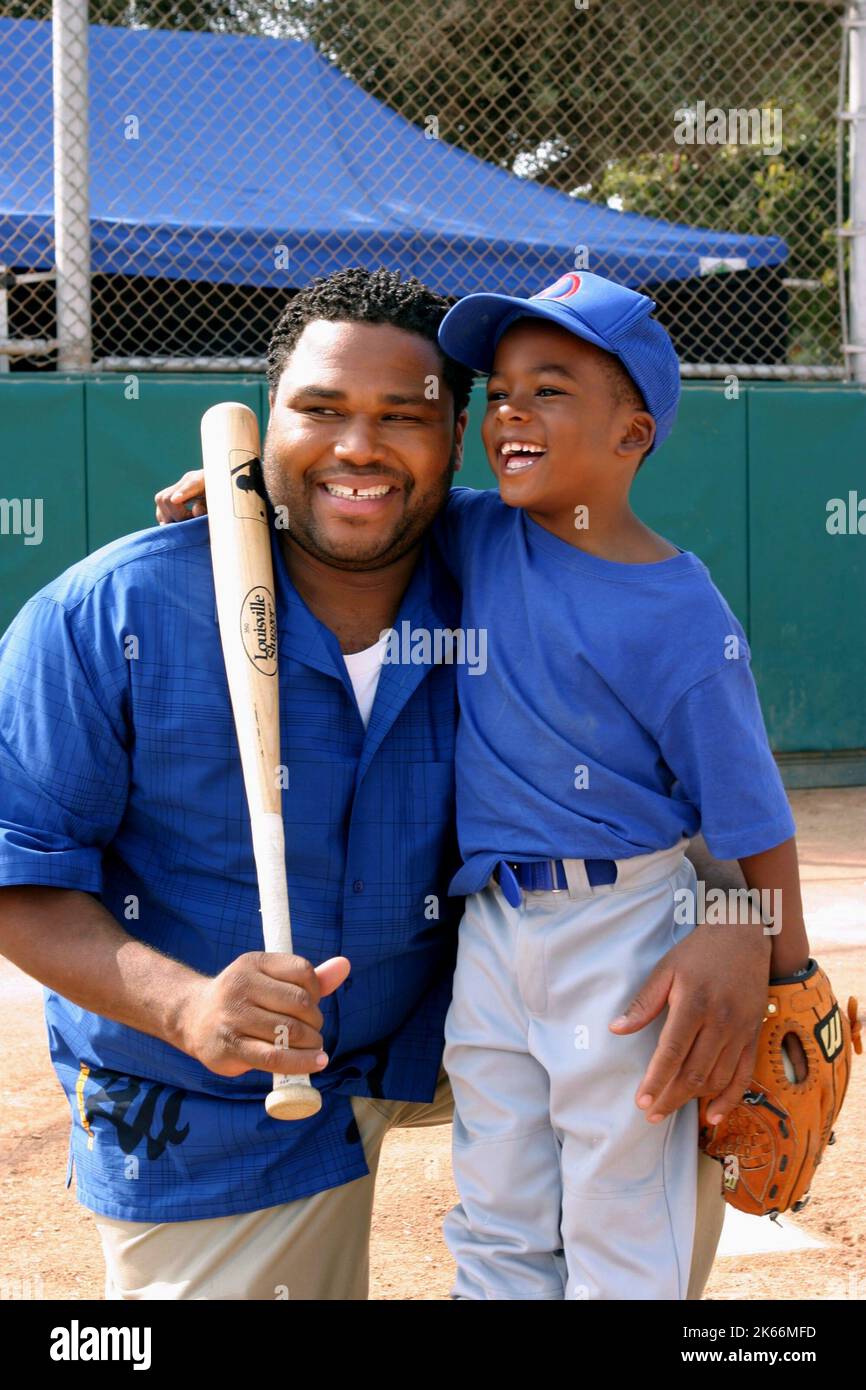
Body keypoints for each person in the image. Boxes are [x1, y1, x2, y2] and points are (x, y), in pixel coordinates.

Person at [0, 269, 767, 1302]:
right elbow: (18, 873)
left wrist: (734, 918)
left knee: (651, 1101)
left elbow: (699, 785)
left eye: (402, 417)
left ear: (456, 443)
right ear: (263, 427)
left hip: (462, 1015)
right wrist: (186, 1007)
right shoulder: (108, 612)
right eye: (318, 412)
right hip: (223, 1090)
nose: (358, 447)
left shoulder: (515, 569)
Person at [420, 269, 809, 1299]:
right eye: (497, 389)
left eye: (548, 388)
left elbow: (750, 813)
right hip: (493, 928)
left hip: (625, 929)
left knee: (618, 1216)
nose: (507, 409)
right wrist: (251, 504)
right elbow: (364, 502)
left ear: (631, 436)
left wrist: (789, 978)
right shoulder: (473, 531)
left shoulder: (681, 614)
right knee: (494, 1205)